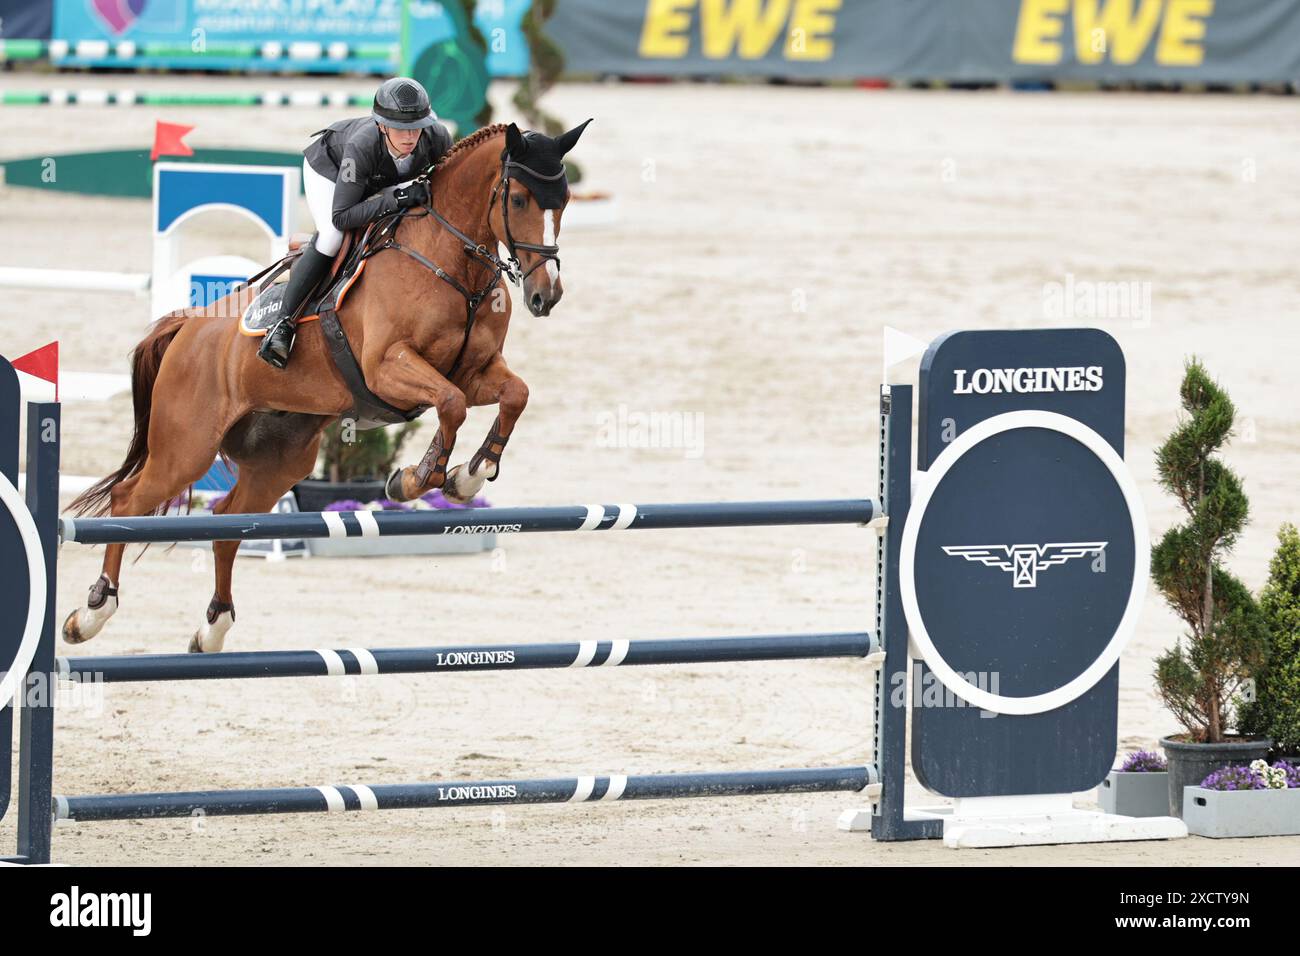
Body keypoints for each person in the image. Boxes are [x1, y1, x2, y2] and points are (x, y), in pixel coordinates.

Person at [259, 76, 454, 368]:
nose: (410, 136)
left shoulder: (436, 137)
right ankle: (283, 324)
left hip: (384, 179)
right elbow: (343, 215)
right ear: (382, 126)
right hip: (330, 170)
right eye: (400, 128)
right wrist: (399, 199)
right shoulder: (362, 145)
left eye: (416, 127)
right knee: (331, 236)